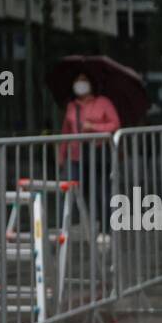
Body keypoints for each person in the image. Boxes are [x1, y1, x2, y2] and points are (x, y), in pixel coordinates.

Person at [57, 71, 120, 229]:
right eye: (77, 80)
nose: (80, 83)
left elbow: (115, 124)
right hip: (75, 156)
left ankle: (105, 229)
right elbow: (66, 132)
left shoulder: (103, 102)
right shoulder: (71, 106)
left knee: (101, 193)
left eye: (84, 80)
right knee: (68, 192)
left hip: (97, 154)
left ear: (91, 83)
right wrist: (61, 155)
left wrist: (94, 127)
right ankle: (62, 228)